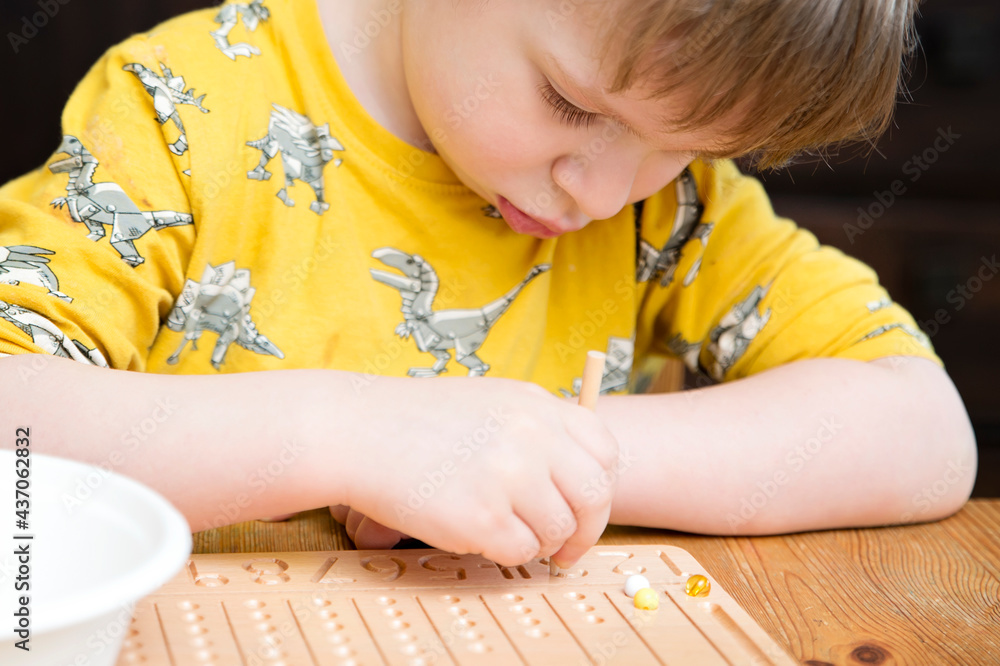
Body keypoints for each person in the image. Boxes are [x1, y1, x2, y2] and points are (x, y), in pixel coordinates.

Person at [0, 0, 977, 568]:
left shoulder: (665, 211)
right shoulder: (189, 106)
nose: (601, 192)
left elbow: (925, 432)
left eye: (680, 149)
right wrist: (346, 436)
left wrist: (546, 455)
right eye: (570, 103)